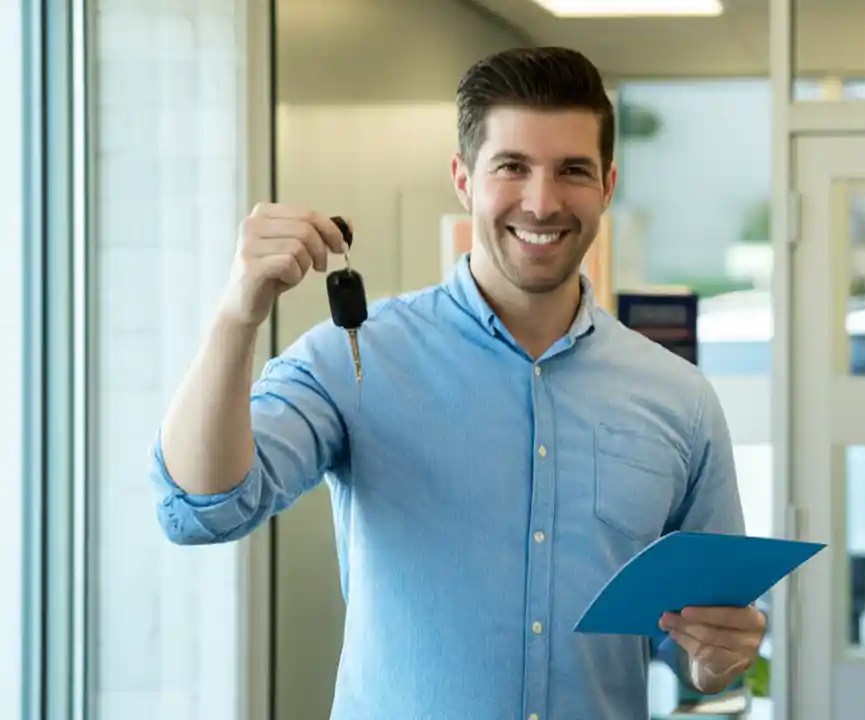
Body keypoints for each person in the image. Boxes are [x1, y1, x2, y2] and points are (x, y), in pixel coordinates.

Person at [150, 46, 763, 719]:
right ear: (463, 178)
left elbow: (708, 645)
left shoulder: (680, 398)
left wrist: (718, 655)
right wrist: (240, 311)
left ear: (607, 186)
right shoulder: (354, 358)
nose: (542, 201)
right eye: (512, 167)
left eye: (572, 171)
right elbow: (200, 507)